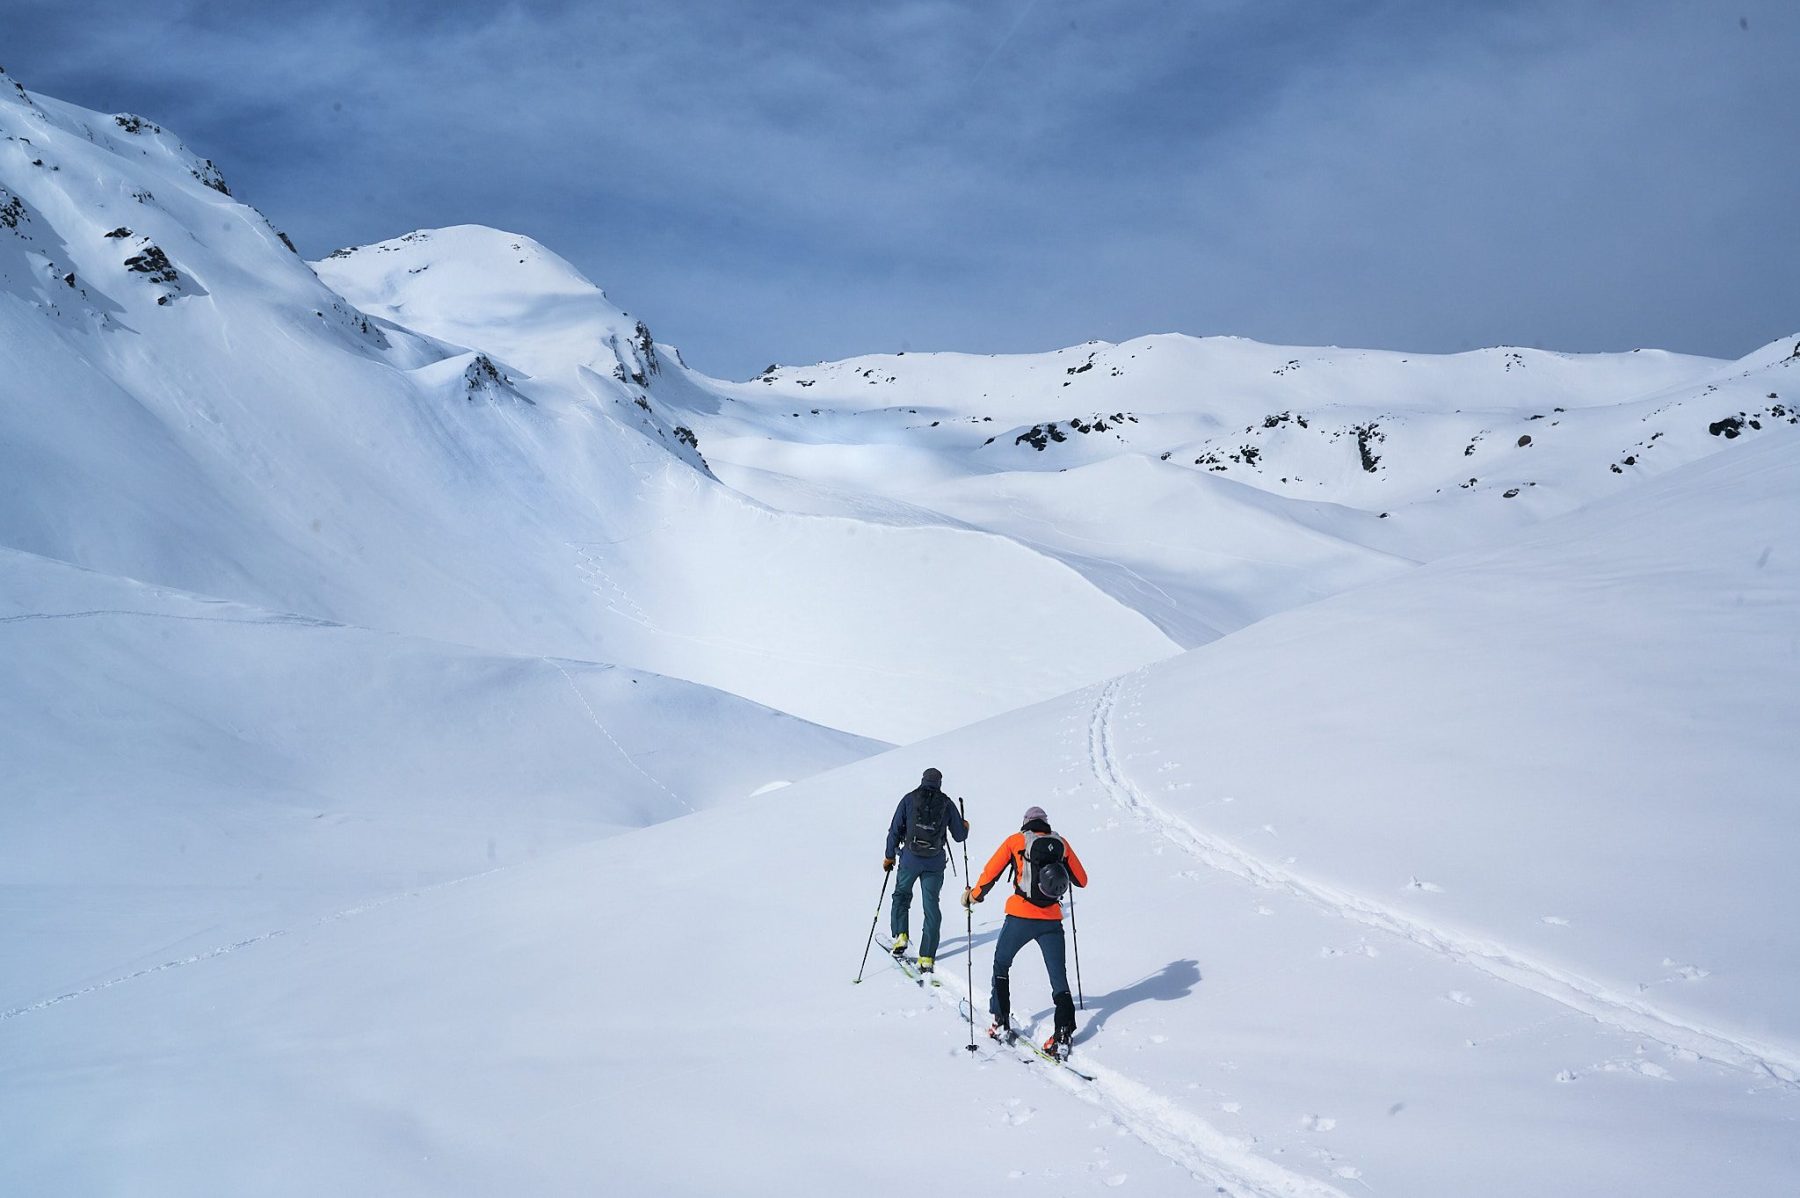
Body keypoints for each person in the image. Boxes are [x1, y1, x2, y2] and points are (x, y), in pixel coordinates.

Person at [963, 805, 1088, 1057]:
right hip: (1051, 919)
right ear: (1045, 823)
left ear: (1025, 823)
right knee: (1058, 977)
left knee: (1001, 963)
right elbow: (1081, 880)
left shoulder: (1015, 841)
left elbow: (991, 873)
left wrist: (973, 896)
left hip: (1020, 916)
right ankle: (1063, 1032)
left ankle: (1000, 1021)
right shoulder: (1061, 843)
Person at [883, 767, 969, 974]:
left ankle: (901, 935)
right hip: (934, 863)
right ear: (940, 782)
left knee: (901, 895)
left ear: (922, 780)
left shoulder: (909, 799)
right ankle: (927, 956)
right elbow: (959, 836)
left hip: (910, 860)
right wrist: (965, 825)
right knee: (931, 906)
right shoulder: (946, 803)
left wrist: (889, 856)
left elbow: (894, 829)